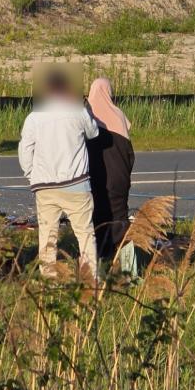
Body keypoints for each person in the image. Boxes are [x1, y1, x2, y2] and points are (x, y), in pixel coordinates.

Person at [18, 71, 101, 283]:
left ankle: (49, 278)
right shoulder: (77, 111)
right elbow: (93, 133)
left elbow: (25, 151)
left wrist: (32, 176)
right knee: (85, 233)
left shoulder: (34, 117)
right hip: (76, 182)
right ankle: (91, 275)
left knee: (47, 236)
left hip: (45, 185)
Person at [85, 78, 137, 276]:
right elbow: (129, 153)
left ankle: (99, 265)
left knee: (97, 219)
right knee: (120, 218)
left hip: (97, 179)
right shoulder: (119, 116)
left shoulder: (87, 117)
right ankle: (127, 268)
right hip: (120, 179)